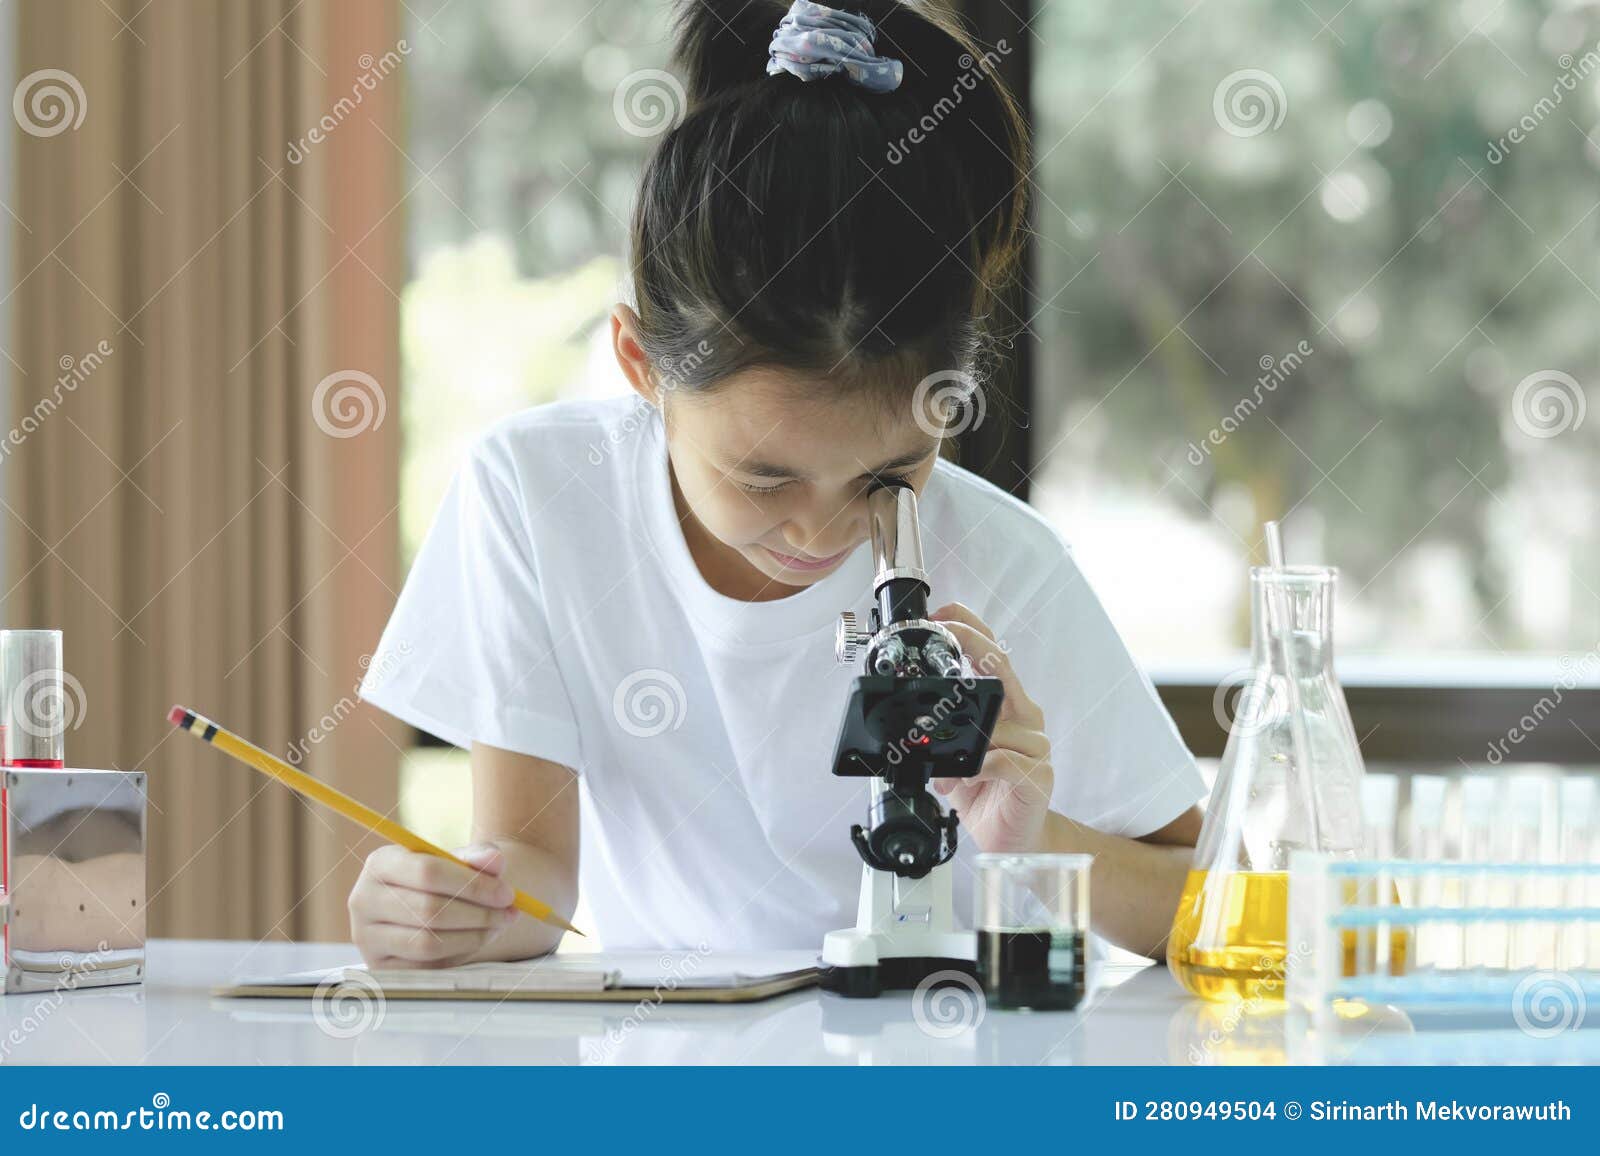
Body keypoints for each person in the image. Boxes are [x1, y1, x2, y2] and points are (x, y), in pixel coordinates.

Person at [351, 0, 1204, 970]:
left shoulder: (1007, 564)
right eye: (765, 474)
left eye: (888, 475)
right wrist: (455, 904)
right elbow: (535, 871)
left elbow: (1222, 908)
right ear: (641, 364)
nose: (821, 527)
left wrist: (1035, 835)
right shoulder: (539, 494)